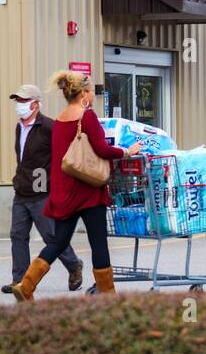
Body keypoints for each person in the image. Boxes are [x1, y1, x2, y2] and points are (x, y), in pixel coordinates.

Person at [9, 71, 140, 301]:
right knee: (98, 243)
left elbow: (60, 157)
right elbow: (101, 149)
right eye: (90, 92)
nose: (92, 97)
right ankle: (108, 294)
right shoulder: (86, 117)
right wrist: (127, 151)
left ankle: (26, 285)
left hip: (64, 193)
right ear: (83, 94)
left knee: (58, 242)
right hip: (88, 191)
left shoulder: (59, 120)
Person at [3, 84, 83, 295]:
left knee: (51, 236)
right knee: (17, 235)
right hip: (21, 190)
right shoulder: (19, 127)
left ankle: (74, 265)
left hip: (42, 191)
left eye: (23, 101)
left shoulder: (49, 126)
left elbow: (65, 154)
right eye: (17, 101)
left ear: (36, 104)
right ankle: (20, 280)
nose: (19, 106)